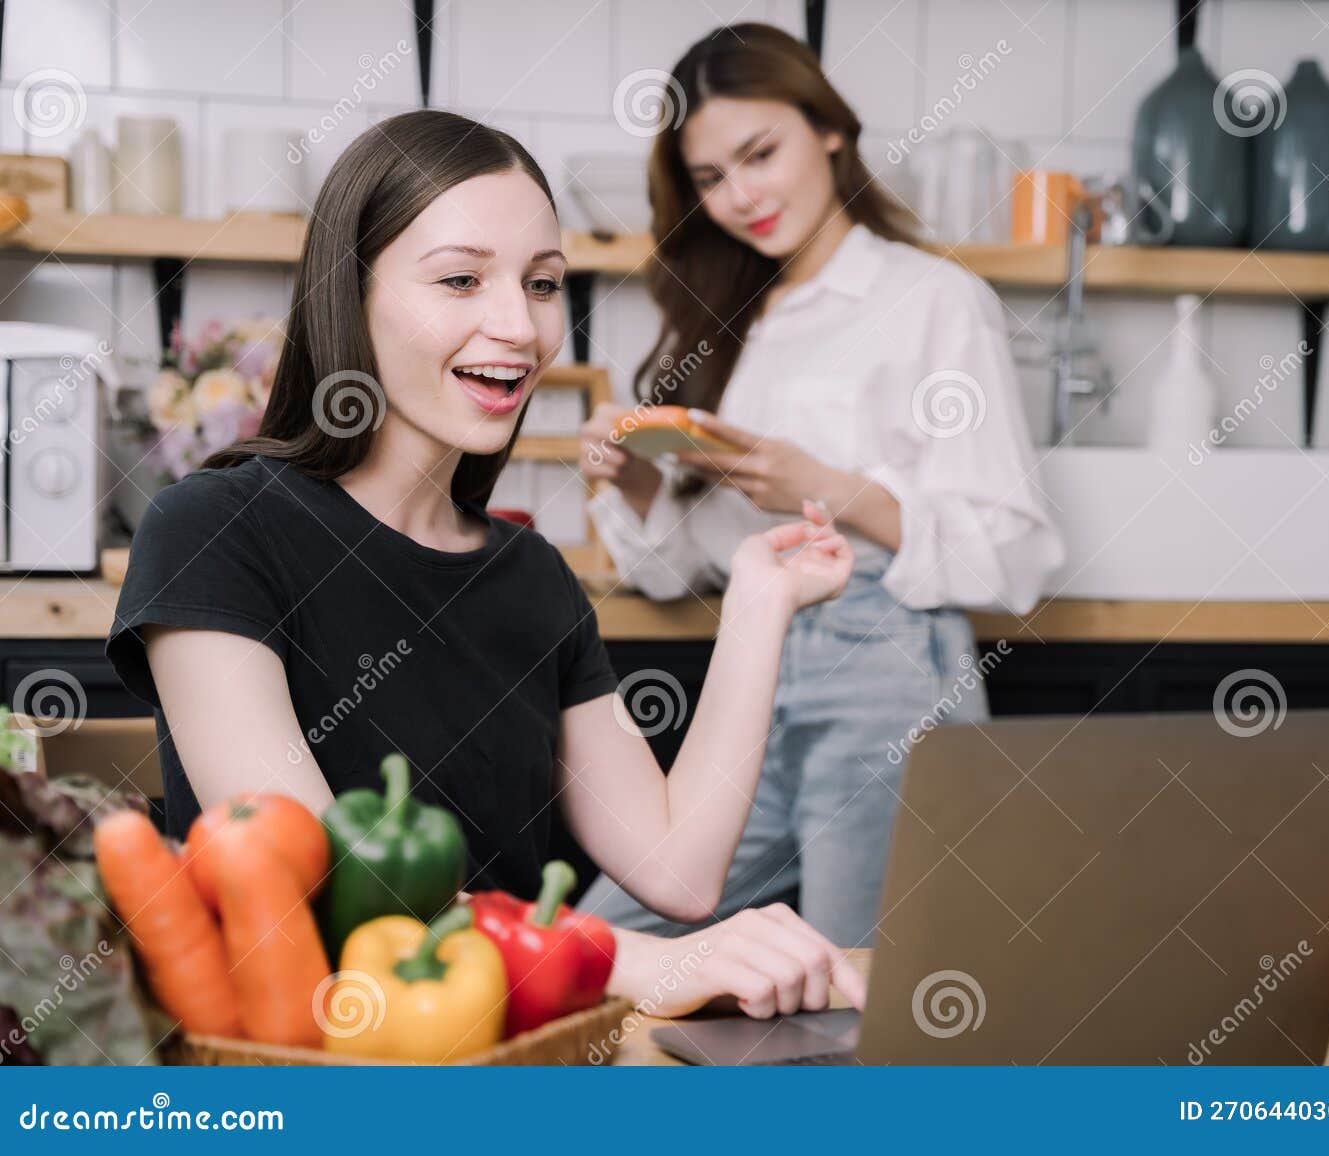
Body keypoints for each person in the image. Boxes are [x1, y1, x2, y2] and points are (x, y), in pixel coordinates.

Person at [106, 108, 867, 1021]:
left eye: (542, 285)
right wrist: (637, 963)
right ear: (349, 295)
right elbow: (320, 878)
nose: (519, 325)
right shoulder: (216, 528)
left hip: (517, 1063)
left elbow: (681, 867)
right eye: (462, 280)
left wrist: (759, 598)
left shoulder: (533, 577)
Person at [578, 24, 1065, 947]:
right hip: (752, 668)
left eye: (761, 154)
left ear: (830, 129)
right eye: (711, 179)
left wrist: (830, 489)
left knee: (859, 987)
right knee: (594, 950)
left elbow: (1014, 555)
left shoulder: (932, 301)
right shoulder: (729, 319)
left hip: (882, 664)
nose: (742, 197)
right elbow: (682, 571)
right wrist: (638, 483)